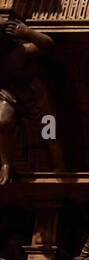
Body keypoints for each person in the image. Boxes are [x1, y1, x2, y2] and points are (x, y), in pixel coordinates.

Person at [0, 19, 62, 185]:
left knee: (49, 131)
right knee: (3, 121)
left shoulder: (19, 51)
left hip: (34, 95)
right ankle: (6, 163)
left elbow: (48, 45)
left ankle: (60, 168)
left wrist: (27, 33)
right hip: (8, 95)